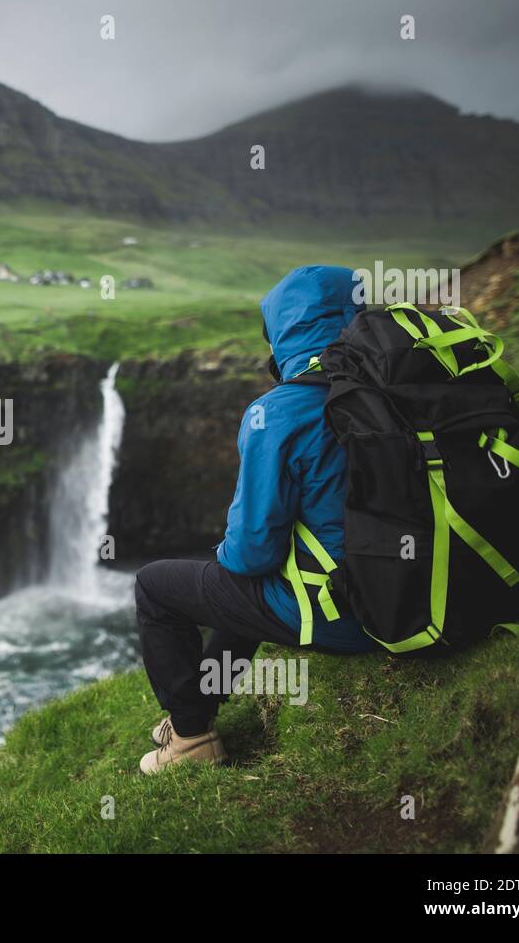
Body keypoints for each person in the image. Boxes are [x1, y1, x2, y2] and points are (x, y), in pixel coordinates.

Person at [134, 265, 376, 775]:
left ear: (284, 332)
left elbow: (250, 553)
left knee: (157, 587)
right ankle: (198, 701)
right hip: (443, 586)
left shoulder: (282, 412)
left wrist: (225, 555)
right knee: (248, 586)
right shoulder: (399, 385)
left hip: (357, 619)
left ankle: (191, 739)